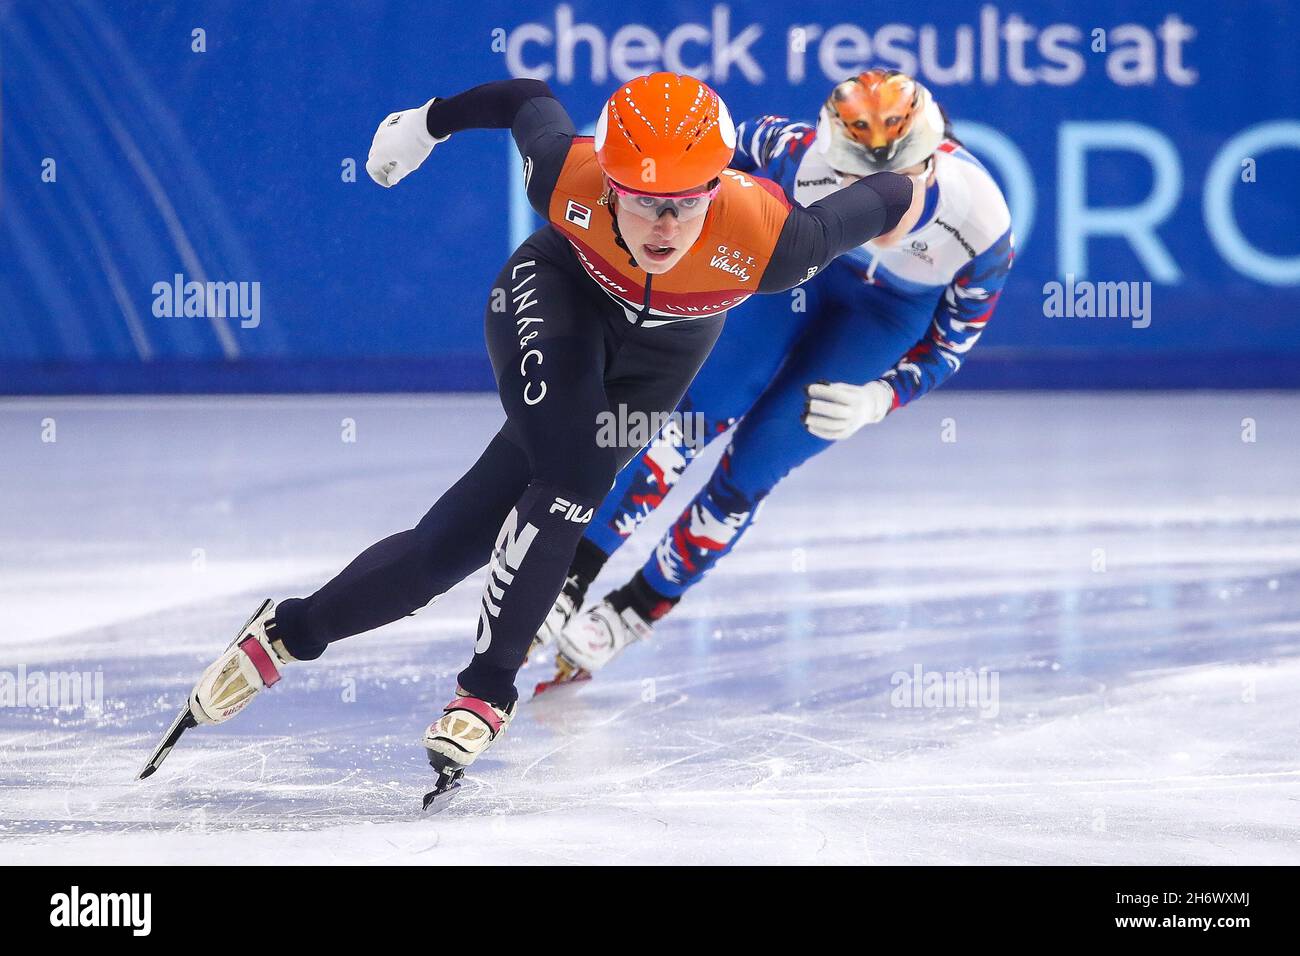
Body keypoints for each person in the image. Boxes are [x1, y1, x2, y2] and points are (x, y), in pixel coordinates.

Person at [172, 73, 919, 798]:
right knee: (574, 476)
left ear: (717, 188)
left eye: (687, 204)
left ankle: (287, 632)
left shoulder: (774, 242)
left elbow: (891, 193)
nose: (665, 228)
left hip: (661, 361)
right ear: (610, 185)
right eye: (642, 202)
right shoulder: (567, 174)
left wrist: (918, 176)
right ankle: (488, 689)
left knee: (448, 549)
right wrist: (426, 122)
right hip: (555, 298)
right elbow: (525, 97)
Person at [533, 70, 1014, 687]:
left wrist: (879, 398)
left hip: (886, 315)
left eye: (898, 181)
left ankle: (636, 607)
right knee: (685, 424)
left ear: (933, 161)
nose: (879, 200)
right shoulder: (795, 152)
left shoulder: (982, 222)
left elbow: (951, 343)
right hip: (796, 277)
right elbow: (687, 163)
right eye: (854, 182)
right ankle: (573, 571)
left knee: (754, 468)